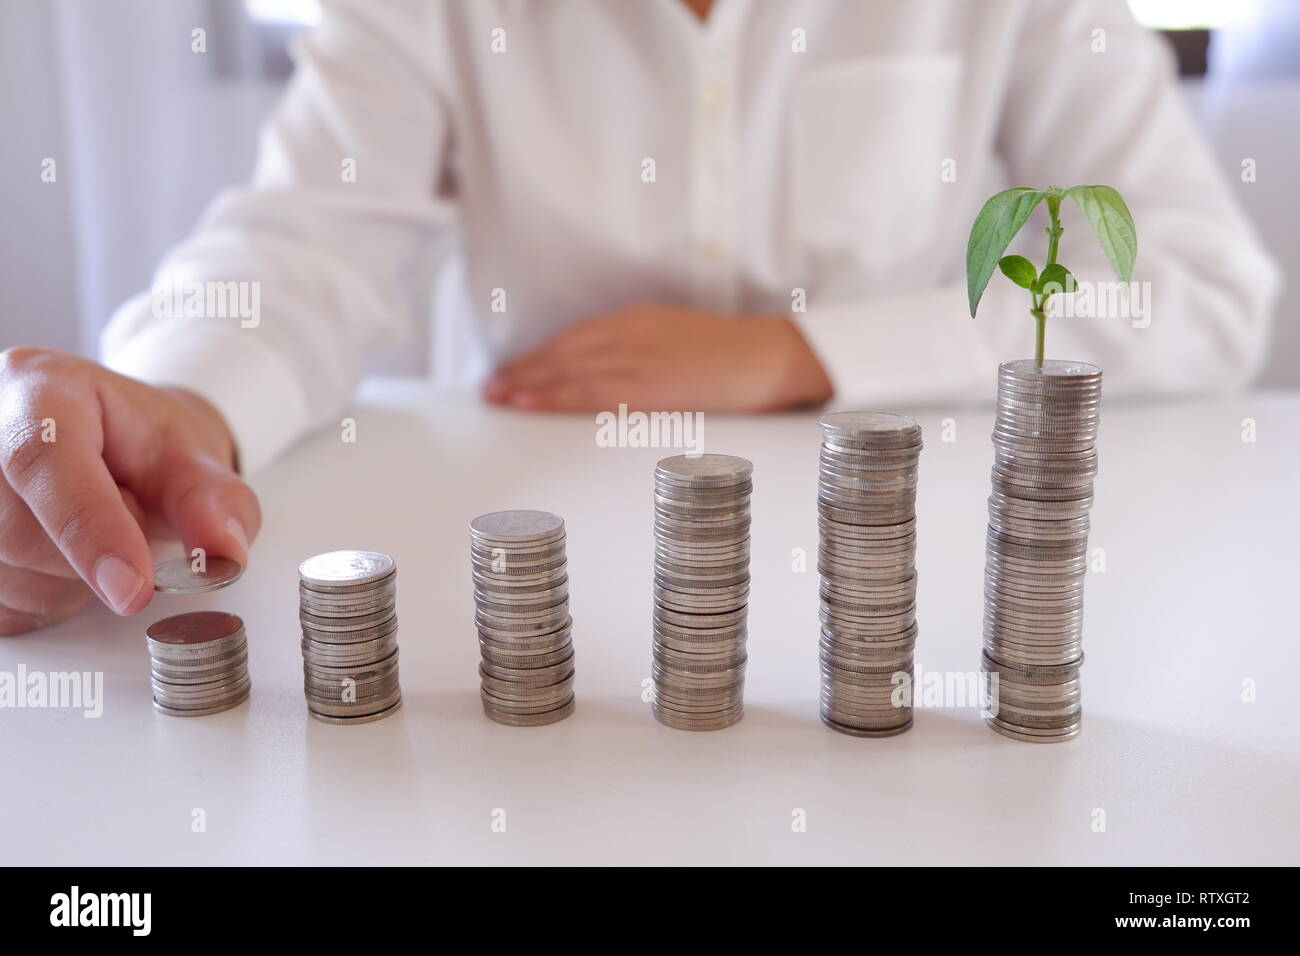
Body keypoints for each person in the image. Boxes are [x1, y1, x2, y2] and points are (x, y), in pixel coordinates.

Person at [0, 0, 1279, 635]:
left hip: (914, 577)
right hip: (522, 576)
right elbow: (301, 237)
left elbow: (1196, 280)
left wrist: (797, 352)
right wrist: (173, 397)